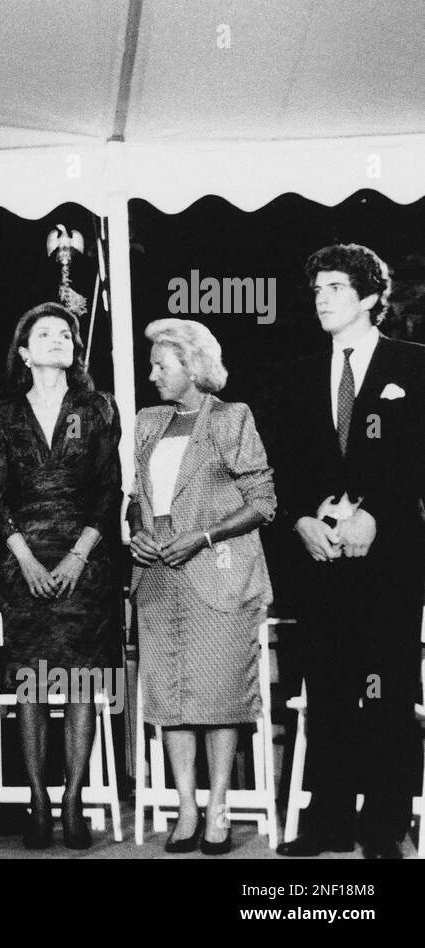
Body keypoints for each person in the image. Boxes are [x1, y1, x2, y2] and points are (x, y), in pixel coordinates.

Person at [272, 244, 425, 859]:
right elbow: (282, 465)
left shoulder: (415, 366)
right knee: (329, 692)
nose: (322, 299)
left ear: (368, 297)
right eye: (316, 290)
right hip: (320, 565)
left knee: (386, 695)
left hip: (388, 563)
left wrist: (377, 517)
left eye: (335, 288)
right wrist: (303, 521)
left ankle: (384, 826)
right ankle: (328, 821)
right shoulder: (298, 374)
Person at [0, 302, 122, 850]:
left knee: (83, 685)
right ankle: (38, 801)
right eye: (45, 333)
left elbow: (110, 491)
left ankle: (74, 799)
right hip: (23, 564)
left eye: (66, 333)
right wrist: (27, 560)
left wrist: (79, 555)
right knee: (33, 685)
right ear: (24, 351)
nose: (59, 338)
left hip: (87, 564)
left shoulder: (99, 406)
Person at [128, 318, 275, 855]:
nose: (152, 375)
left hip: (218, 572)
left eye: (160, 366)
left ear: (191, 366)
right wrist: (138, 533)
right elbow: (134, 498)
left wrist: (203, 536)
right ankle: (185, 808)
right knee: (170, 696)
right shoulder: (147, 422)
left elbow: (263, 501)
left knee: (219, 694)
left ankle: (219, 808)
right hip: (159, 577)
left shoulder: (231, 418)